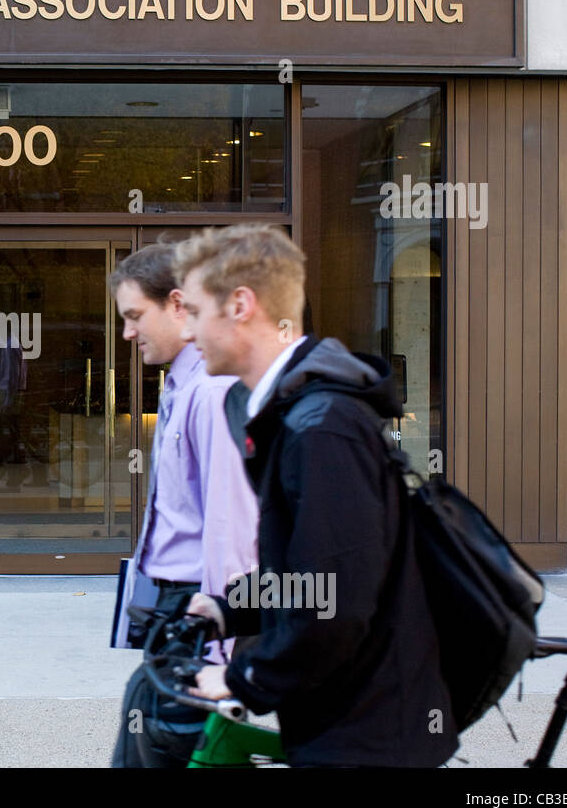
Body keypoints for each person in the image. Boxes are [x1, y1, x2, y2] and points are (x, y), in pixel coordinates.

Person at [174, 223, 457, 768]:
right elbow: (312, 570)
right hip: (344, 721)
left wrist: (241, 677)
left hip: (366, 736)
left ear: (240, 305)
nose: (188, 333)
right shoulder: (299, 412)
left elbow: (336, 601)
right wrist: (231, 608)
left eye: (194, 312)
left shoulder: (321, 426)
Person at [107, 243, 259, 768]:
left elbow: (230, 529)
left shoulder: (212, 391)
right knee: (147, 738)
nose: (128, 333)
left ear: (177, 304)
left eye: (134, 316)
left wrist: (218, 649)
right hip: (175, 609)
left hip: (197, 612)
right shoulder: (182, 382)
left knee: (166, 747)